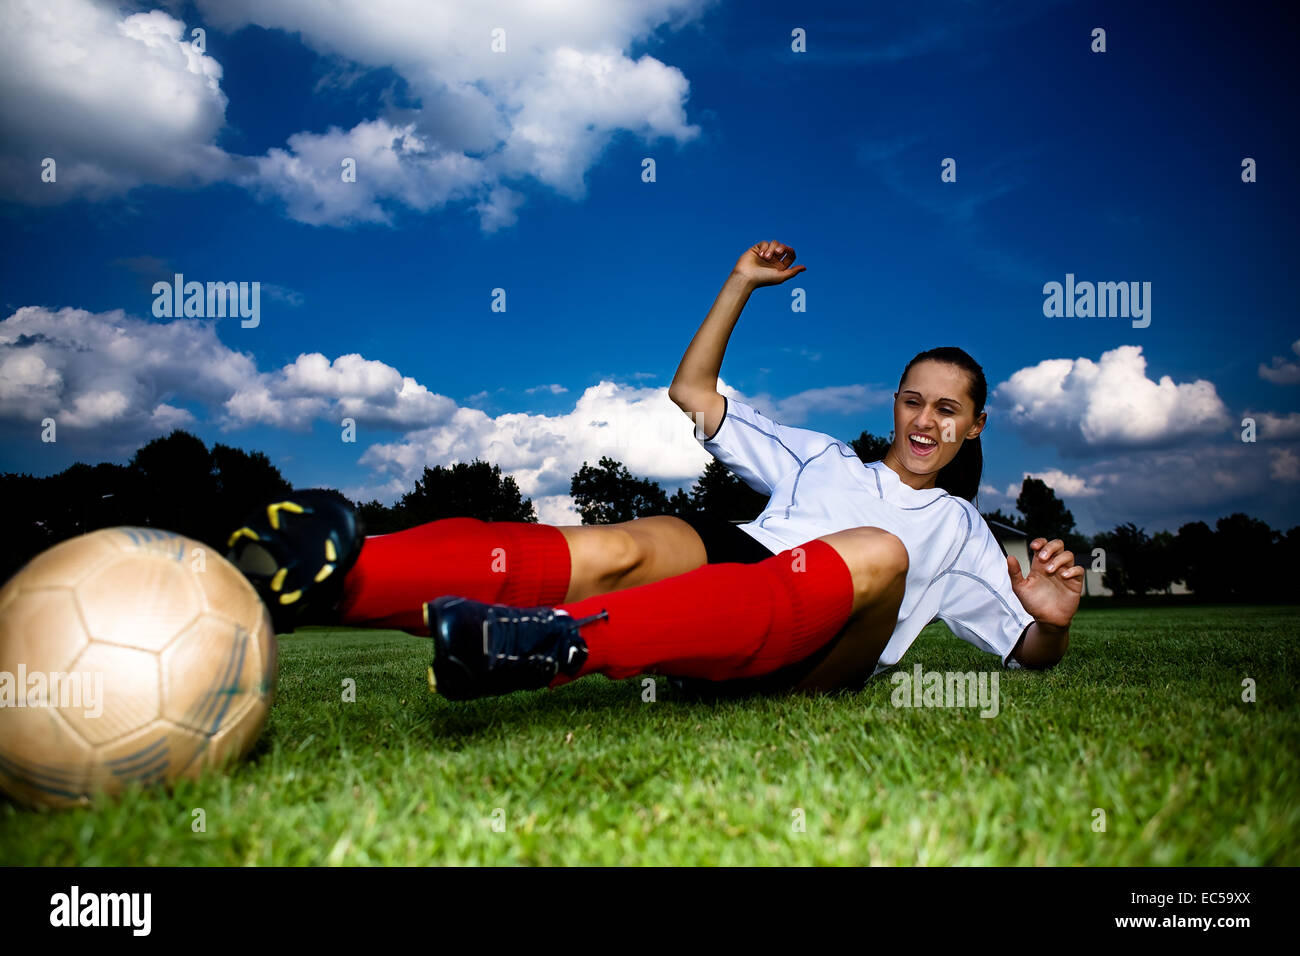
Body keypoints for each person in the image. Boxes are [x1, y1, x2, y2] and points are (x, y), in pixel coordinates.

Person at [227, 240, 1082, 702]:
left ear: (973, 427)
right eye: (912, 400)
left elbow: (1026, 655)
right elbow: (693, 390)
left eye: (945, 409)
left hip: (822, 658)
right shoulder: (822, 456)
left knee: (878, 552)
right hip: (727, 590)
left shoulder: (968, 531)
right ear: (894, 405)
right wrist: (741, 283)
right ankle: (335, 574)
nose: (924, 420)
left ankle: (569, 639)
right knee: (636, 541)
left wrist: (1050, 620)